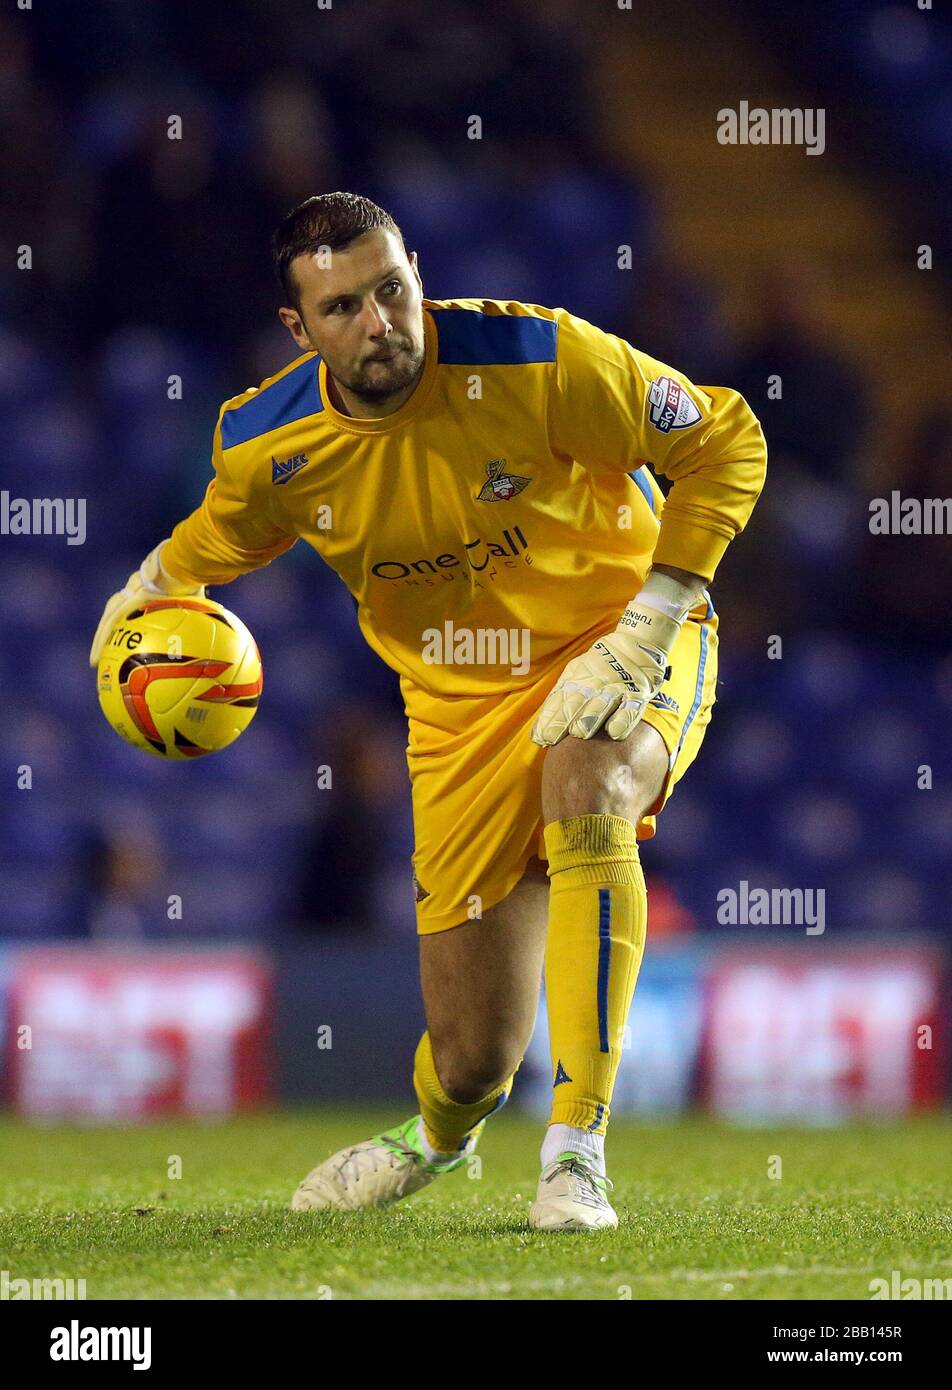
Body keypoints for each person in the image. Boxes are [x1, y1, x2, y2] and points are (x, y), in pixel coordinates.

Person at [89, 192, 767, 1231]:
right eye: (343, 307)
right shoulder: (267, 443)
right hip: (455, 707)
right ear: (299, 330)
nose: (378, 323)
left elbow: (727, 437)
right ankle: (438, 1140)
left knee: (585, 777)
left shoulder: (539, 359)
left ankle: (576, 1148)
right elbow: (211, 546)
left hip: (621, 639)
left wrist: (650, 619)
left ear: (417, 273)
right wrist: (143, 592)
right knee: (469, 1059)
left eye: (391, 290)